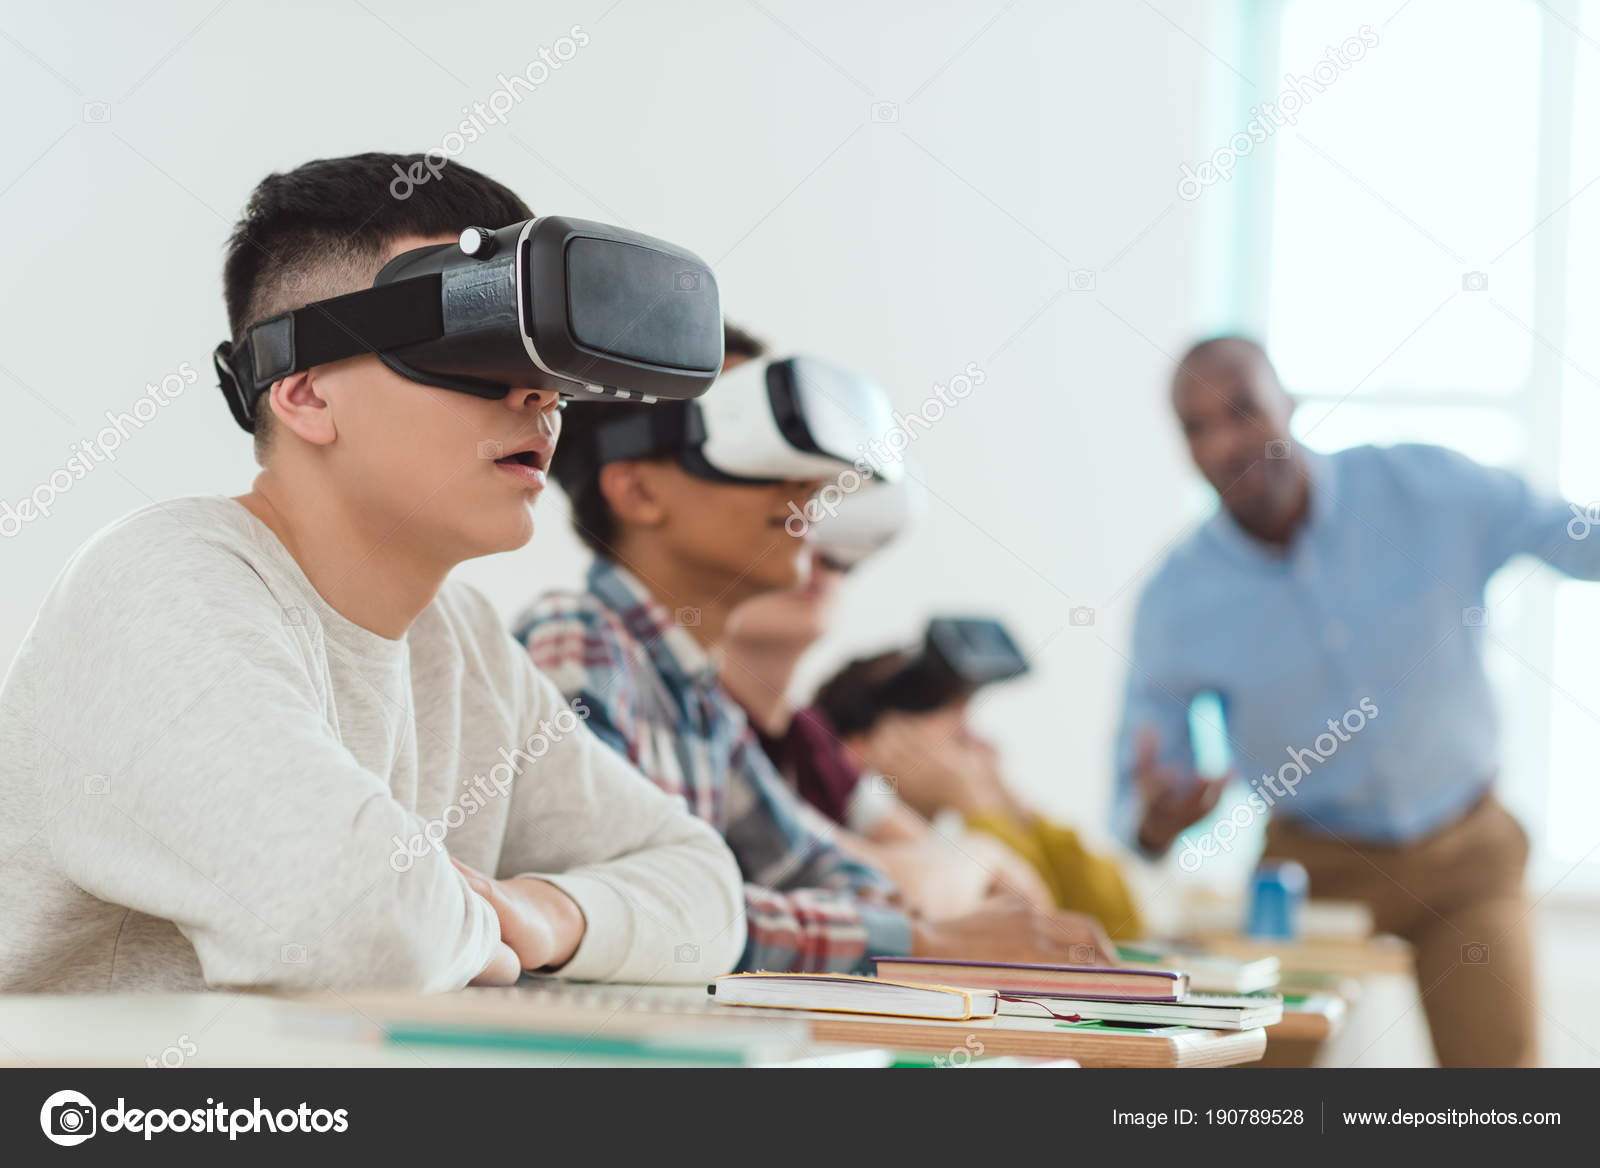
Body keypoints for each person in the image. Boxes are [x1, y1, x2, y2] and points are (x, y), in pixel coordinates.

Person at [0, 153, 746, 994]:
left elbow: (707, 889)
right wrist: (482, 940)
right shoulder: (159, 581)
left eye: (545, 370)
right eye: (478, 346)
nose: (537, 399)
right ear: (308, 393)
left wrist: (542, 915)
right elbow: (350, 923)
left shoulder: (459, 641)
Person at [518, 331, 1117, 973]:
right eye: (751, 442)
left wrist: (935, 926)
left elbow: (826, 872)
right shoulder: (579, 639)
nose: (809, 486)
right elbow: (630, 913)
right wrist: (923, 941)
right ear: (638, 492)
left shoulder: (700, 702)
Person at [1114, 334, 1600, 1066]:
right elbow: (1144, 787)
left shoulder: (1425, 488)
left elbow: (1567, 533)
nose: (1224, 442)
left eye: (1243, 410)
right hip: (1311, 869)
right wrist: (1157, 821)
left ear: (1291, 404)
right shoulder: (1176, 600)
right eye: (1196, 427)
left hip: (1465, 847)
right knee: (1248, 1090)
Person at [722, 547, 1058, 919]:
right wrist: (983, 845)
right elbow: (902, 894)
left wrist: (1007, 808)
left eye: (836, 553)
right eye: (958, 735)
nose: (814, 561)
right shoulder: (711, 728)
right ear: (861, 748)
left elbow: (1031, 902)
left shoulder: (808, 737)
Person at [816, 647, 1145, 940]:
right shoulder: (869, 863)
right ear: (860, 750)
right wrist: (978, 809)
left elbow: (1122, 924)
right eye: (957, 735)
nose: (977, 746)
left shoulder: (950, 844)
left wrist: (1015, 804)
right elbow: (1044, 932)